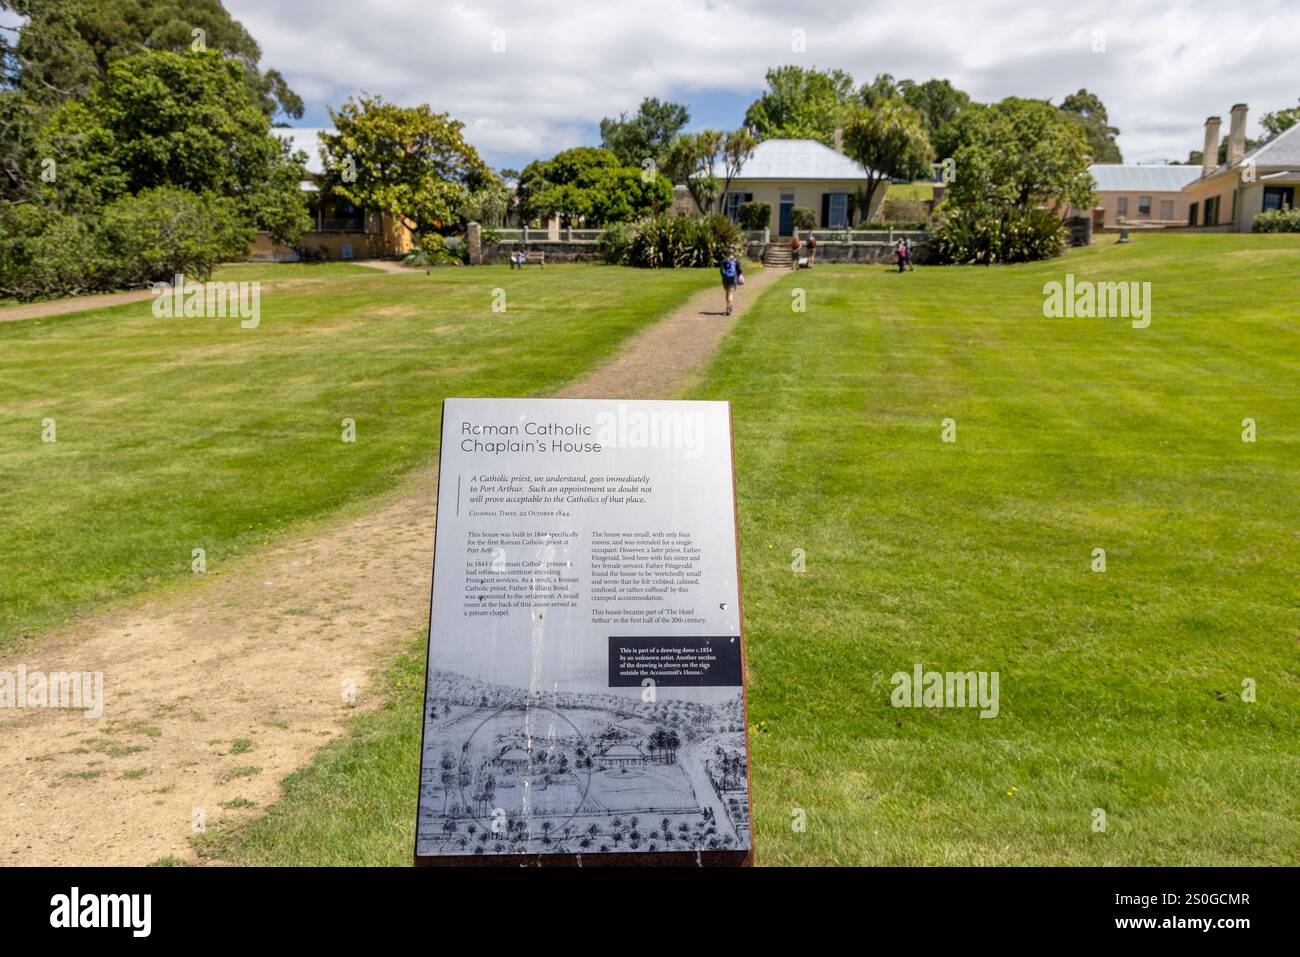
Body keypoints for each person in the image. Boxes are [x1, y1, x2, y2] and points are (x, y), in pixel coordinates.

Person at [720, 250, 744, 316]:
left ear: (727, 253)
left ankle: (728, 307)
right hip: (733, 279)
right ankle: (729, 307)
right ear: (734, 253)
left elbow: (721, 270)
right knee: (731, 293)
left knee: (727, 293)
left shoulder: (724, 260)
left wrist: (723, 275)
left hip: (726, 278)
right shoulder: (737, 261)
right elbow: (740, 271)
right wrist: (740, 276)